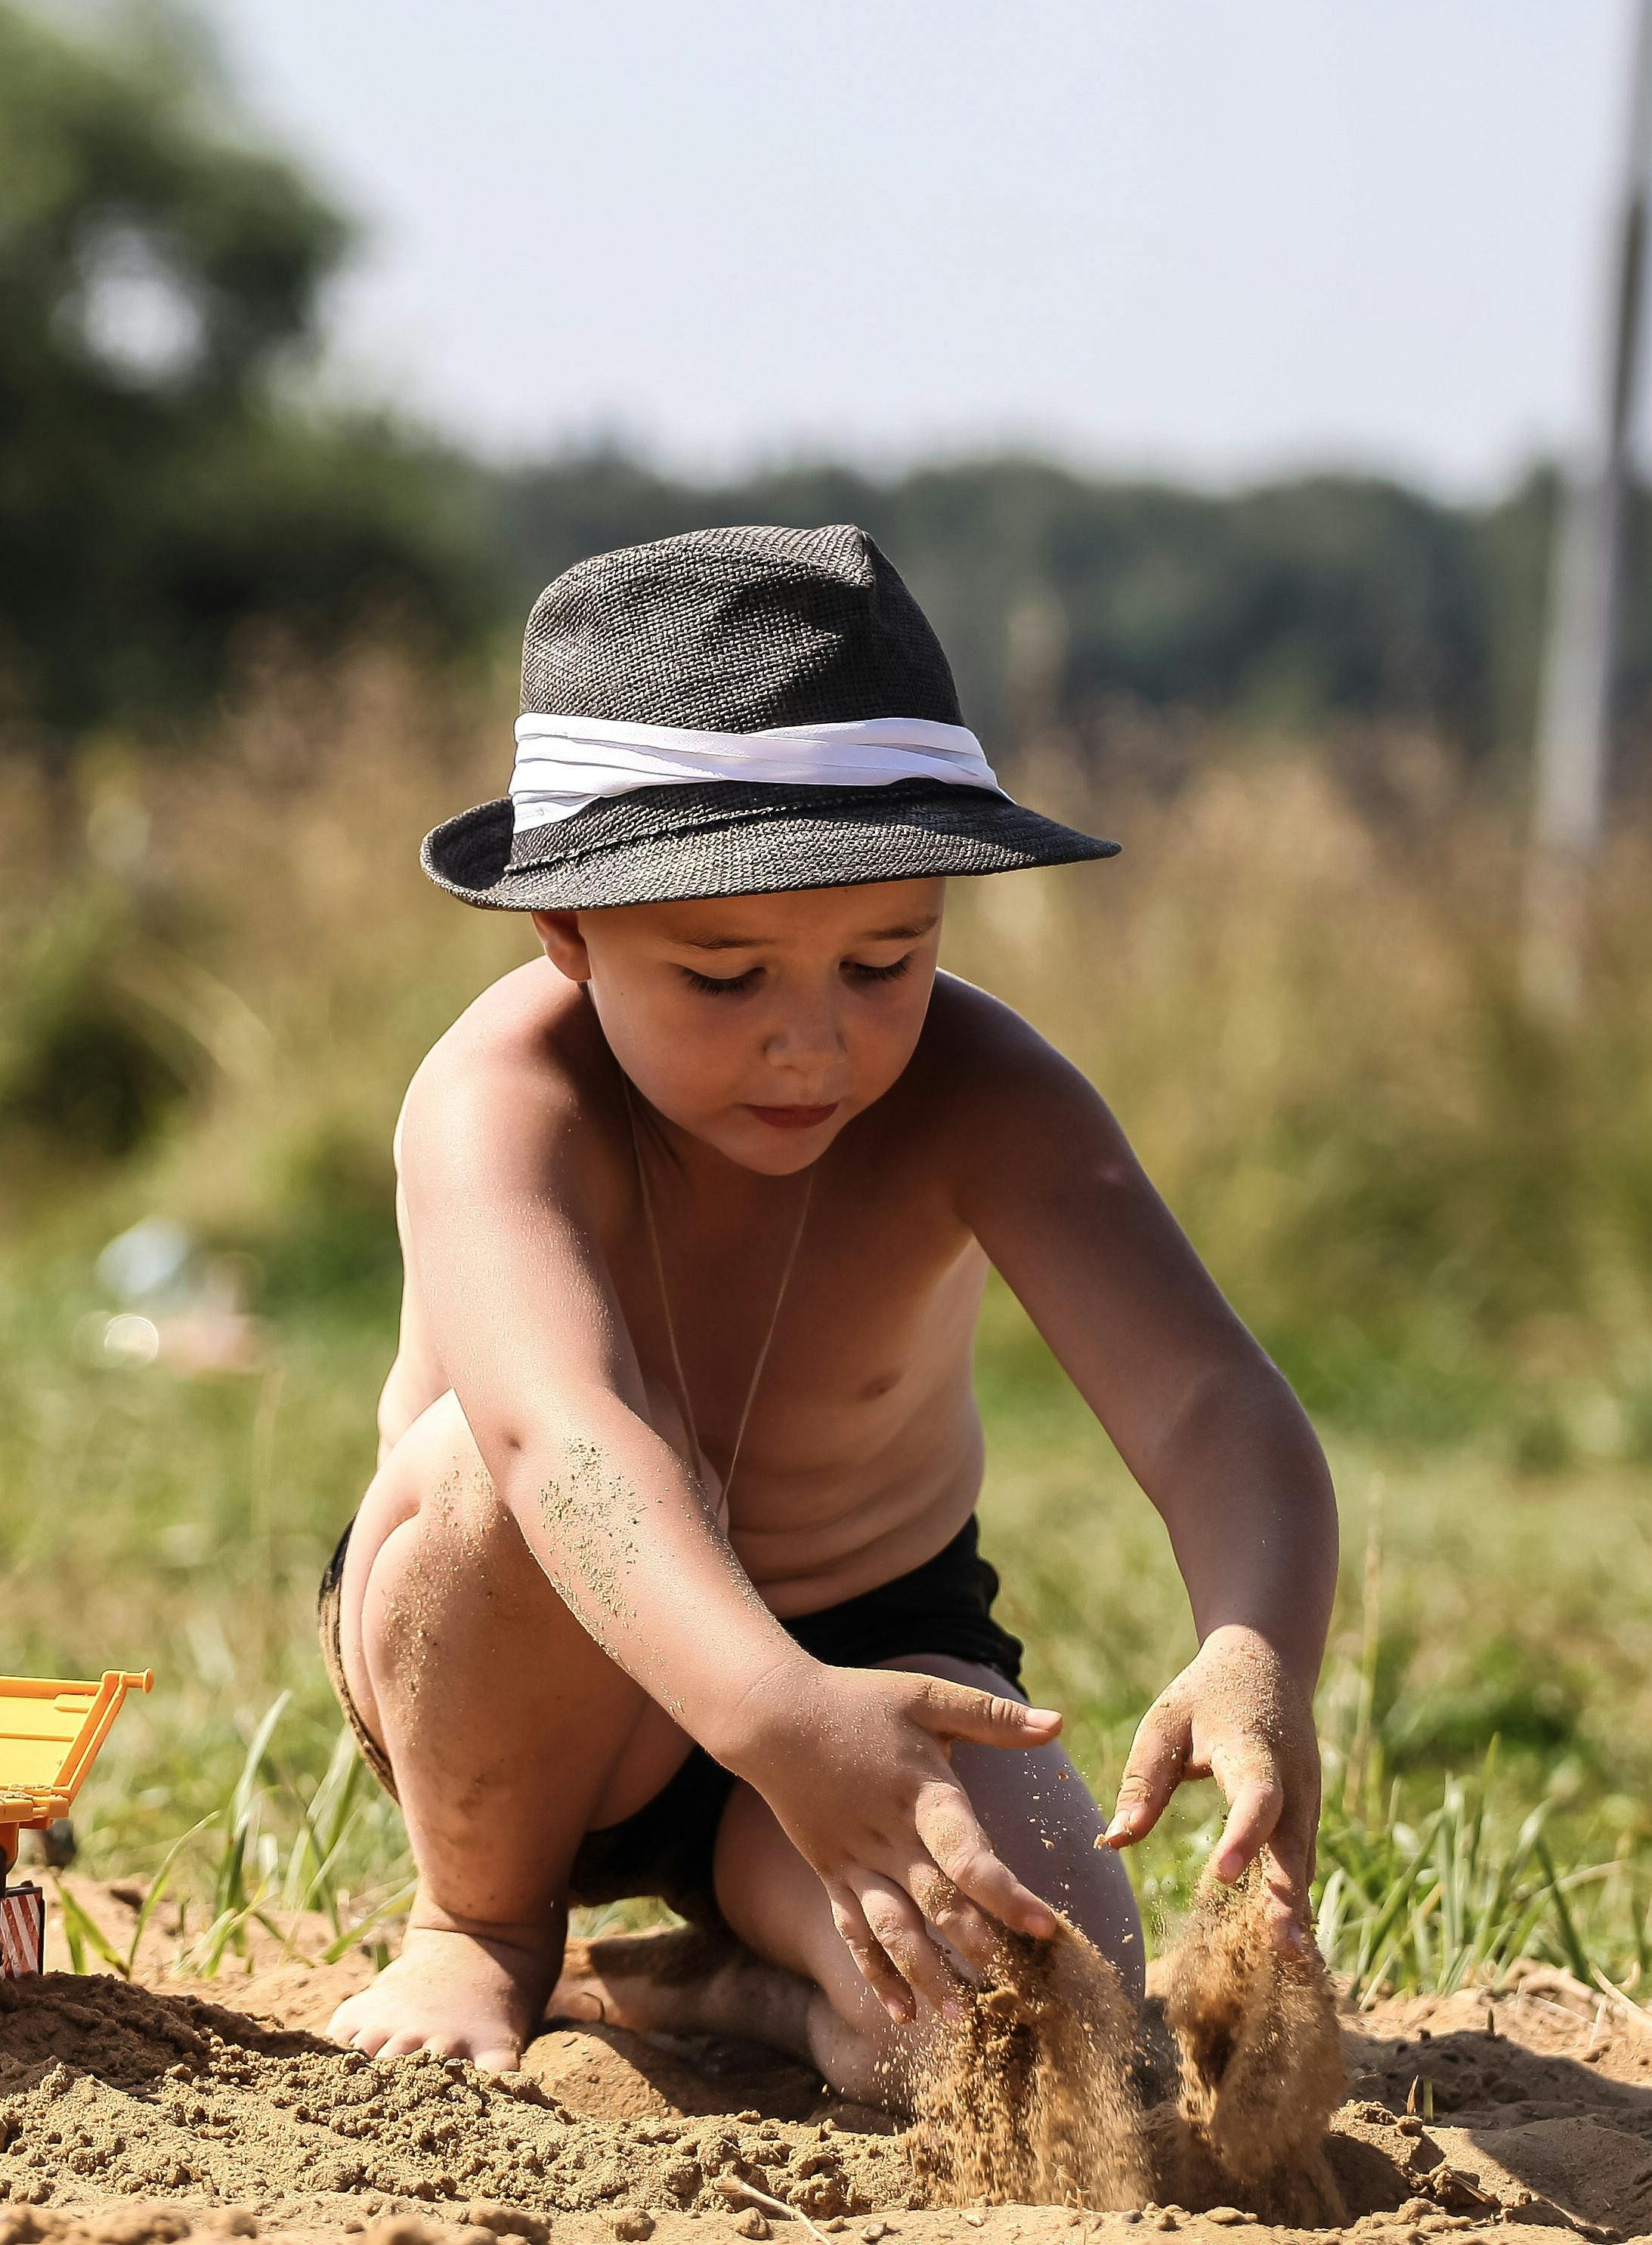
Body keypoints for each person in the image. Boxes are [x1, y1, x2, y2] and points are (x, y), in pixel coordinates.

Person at [320, 522, 1340, 2100]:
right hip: (527, 1662)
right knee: (496, 1475)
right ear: (568, 934)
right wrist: (764, 1707)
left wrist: (1254, 1647)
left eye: (886, 958)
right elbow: (554, 1434)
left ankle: (747, 1987)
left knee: (1037, 2026)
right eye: (726, 979)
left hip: (870, 1644)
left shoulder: (985, 1094)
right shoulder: (502, 1096)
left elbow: (1211, 1398)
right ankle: (484, 1927)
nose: (814, 1047)